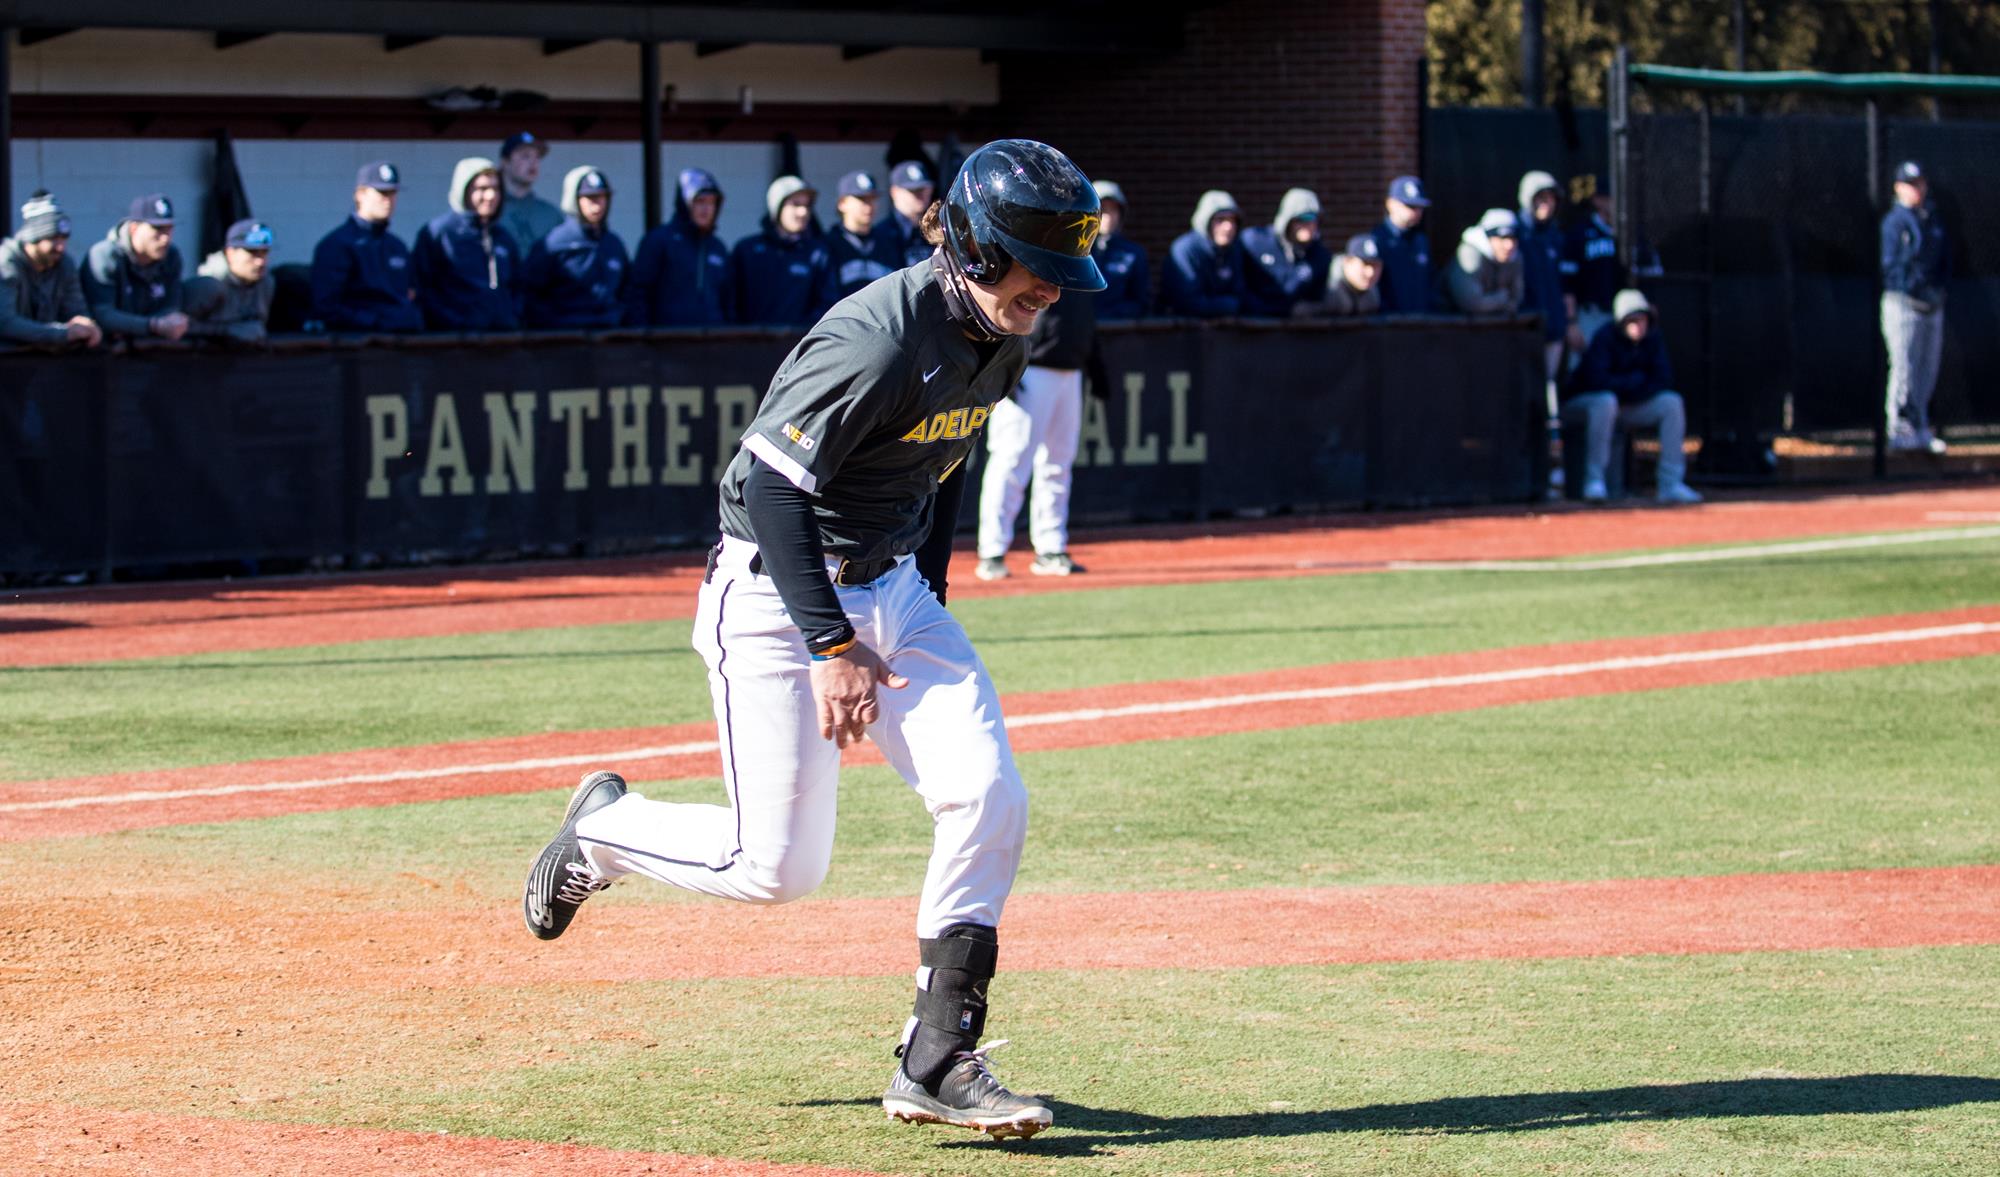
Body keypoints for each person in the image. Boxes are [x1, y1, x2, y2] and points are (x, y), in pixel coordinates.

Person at [521, 137, 1109, 1142]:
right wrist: (833, 646)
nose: (1051, 288)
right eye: (1036, 264)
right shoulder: (876, 335)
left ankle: (937, 1055)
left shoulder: (1003, 330)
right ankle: (604, 832)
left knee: (988, 795)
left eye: (1062, 267)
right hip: (774, 591)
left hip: (891, 584)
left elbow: (944, 464)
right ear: (974, 245)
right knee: (775, 869)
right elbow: (768, 489)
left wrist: (923, 598)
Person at [975, 235, 1097, 580]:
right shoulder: (1036, 245)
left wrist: (1094, 366)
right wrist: (1007, 368)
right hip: (1030, 370)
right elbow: (1003, 308)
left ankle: (1050, 546)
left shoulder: (1082, 258)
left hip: (1070, 369)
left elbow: (1085, 320)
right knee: (1011, 460)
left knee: (1058, 463)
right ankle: (992, 550)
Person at [1566, 288, 1702, 505]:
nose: (1638, 326)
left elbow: (1663, 378)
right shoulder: (1604, 337)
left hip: (1629, 405)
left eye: (1642, 320)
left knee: (1671, 403)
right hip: (1589, 406)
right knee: (1606, 402)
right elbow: (1597, 381)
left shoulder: (1653, 339)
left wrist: (1631, 388)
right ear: (1621, 321)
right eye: (1632, 320)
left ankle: (1670, 485)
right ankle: (1594, 481)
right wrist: (1633, 383)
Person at [1880, 160, 1950, 454]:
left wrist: (1936, 290)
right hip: (1903, 304)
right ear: (1898, 188)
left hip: (1932, 305)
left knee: (1926, 370)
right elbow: (1891, 265)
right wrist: (1912, 287)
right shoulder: (1894, 222)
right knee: (1903, 368)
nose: (1916, 190)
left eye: (1919, 183)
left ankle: (1920, 428)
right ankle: (1898, 429)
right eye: (1910, 184)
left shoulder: (1932, 220)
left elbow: (1944, 260)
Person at [309, 161, 424, 333]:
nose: (388, 200)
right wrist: (374, 322)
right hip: (357, 343)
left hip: (401, 340)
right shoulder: (337, 245)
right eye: (382, 193)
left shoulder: (397, 246)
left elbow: (410, 294)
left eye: (392, 193)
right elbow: (326, 306)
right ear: (360, 194)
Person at [413, 157, 522, 330]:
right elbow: (422, 288)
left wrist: (511, 316)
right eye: (482, 188)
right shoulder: (439, 233)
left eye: (496, 188)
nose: (490, 196)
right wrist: (452, 322)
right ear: (464, 190)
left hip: (501, 337)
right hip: (452, 338)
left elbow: (518, 286)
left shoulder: (503, 237)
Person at [522, 166, 629, 328]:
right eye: (590, 198)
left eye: (602, 197)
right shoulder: (554, 244)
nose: (597, 205)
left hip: (609, 334)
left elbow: (627, 291)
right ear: (575, 200)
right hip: (567, 336)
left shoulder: (613, 244)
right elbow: (530, 294)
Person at [1518, 170, 1570, 492]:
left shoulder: (1555, 237)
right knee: (1527, 401)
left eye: (1551, 199)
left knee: (1551, 401)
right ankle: (1528, 473)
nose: (1546, 204)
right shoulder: (1515, 233)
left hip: (1554, 333)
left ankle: (1552, 472)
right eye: (1540, 198)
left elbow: (1565, 287)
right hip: (1525, 336)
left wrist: (1569, 323)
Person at [627, 168, 733, 326]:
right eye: (700, 201)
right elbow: (638, 293)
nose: (706, 209)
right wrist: (644, 335)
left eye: (712, 202)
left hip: (712, 337)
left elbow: (728, 300)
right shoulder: (659, 241)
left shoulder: (718, 248)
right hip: (668, 338)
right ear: (685, 204)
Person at [0, 190, 101, 349]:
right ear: (33, 238)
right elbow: (5, 322)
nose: (61, 247)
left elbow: (75, 309)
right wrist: (62, 334)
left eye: (64, 239)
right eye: (53, 239)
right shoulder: (6, 263)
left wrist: (85, 324)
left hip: (46, 356)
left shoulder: (64, 263)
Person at [82, 193, 188, 341]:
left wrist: (164, 323)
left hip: (147, 336)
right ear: (134, 228)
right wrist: (154, 325)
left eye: (169, 229)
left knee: (206, 288)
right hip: (107, 345)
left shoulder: (171, 255)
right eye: (158, 229)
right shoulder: (104, 255)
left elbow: (171, 307)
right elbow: (103, 316)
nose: (165, 238)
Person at [733, 175, 834, 329]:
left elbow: (827, 304)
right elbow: (731, 304)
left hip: (800, 341)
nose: (803, 212)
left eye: (807, 205)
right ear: (777, 208)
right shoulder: (747, 250)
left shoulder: (818, 253)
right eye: (795, 204)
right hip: (750, 341)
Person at [1241, 187, 1333, 317]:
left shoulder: (1320, 257)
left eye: (1314, 218)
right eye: (1303, 218)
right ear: (1288, 219)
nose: (1309, 224)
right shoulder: (1255, 241)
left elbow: (1316, 298)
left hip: (1289, 323)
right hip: (1250, 320)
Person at [183, 218, 275, 343]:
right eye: (253, 253)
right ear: (230, 253)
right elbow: (178, 329)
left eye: (264, 252)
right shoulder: (211, 282)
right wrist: (225, 331)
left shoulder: (265, 282)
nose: (260, 262)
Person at [819, 169, 903, 304]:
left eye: (872, 198)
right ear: (842, 203)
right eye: (861, 199)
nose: (868, 205)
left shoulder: (889, 242)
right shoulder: (827, 245)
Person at [1161, 188, 1245, 317]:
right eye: (1220, 220)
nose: (1228, 227)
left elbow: (1240, 293)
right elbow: (1188, 302)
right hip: (1182, 326)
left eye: (1233, 220)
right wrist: (1228, 305)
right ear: (1206, 222)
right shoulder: (1186, 249)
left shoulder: (1234, 249)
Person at [1369, 175, 1432, 314]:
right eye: (1410, 206)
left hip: (1421, 320)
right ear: (1390, 204)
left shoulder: (1421, 241)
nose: (1416, 212)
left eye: (1419, 207)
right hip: (1389, 322)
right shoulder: (1376, 241)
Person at [496, 131, 565, 258]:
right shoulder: (491, 211)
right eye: (525, 156)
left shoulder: (551, 215)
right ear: (505, 162)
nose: (533, 162)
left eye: (537, 157)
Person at [1447, 208, 1524, 317]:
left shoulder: (1515, 257)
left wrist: (1497, 302)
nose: (1509, 245)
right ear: (1487, 237)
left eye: (1513, 238)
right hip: (1449, 321)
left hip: (1493, 324)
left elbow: (1516, 299)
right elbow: (1471, 303)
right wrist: (1502, 298)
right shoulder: (1470, 254)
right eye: (1502, 238)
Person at [1090, 179, 1149, 319]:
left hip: (1116, 328)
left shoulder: (1133, 254)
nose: (1108, 217)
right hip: (1077, 327)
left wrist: (1111, 314)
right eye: (1103, 210)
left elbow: (1141, 301)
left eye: (1113, 210)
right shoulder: (1074, 251)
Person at [1308, 234, 1383, 317]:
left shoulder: (1376, 291)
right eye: (1365, 264)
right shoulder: (1320, 277)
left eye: (1375, 265)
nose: (1370, 273)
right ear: (1347, 262)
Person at [888, 160, 936, 267]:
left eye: (923, 189)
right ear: (894, 192)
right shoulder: (883, 235)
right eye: (912, 190)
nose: (919, 195)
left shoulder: (938, 230)